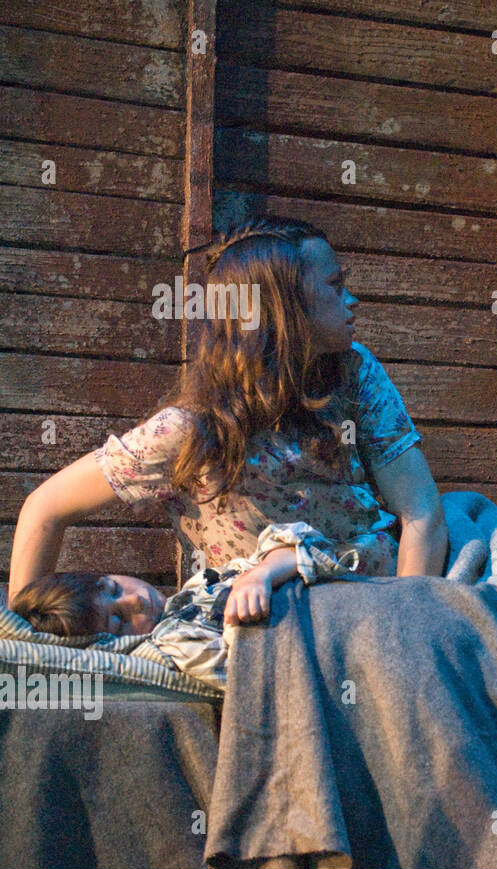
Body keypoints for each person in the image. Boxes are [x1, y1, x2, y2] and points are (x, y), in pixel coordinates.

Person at [9, 216, 448, 597]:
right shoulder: (189, 432)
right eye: (335, 286)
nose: (352, 301)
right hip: (274, 624)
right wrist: (23, 639)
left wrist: (405, 625)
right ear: (283, 309)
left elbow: (421, 512)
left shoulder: (353, 373)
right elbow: (44, 508)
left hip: (383, 601)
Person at [10, 522, 357, 690]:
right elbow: (252, 678)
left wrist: (262, 573)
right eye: (119, 621)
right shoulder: (175, 645)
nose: (135, 600)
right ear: (110, 645)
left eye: (114, 588)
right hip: (336, 636)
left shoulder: (195, 588)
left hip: (349, 596)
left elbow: (304, 541)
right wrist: (241, 625)